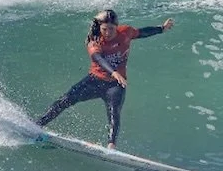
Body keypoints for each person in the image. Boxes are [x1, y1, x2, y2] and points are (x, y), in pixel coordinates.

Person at [36, 9, 174, 149]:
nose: (107, 33)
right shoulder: (94, 40)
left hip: (115, 85)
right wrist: (113, 72)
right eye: (104, 29)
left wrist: (162, 28)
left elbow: (141, 32)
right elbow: (98, 58)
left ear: (116, 27)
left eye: (111, 29)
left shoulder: (125, 32)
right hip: (94, 81)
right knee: (65, 100)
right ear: (99, 28)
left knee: (114, 113)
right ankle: (37, 125)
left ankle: (111, 146)